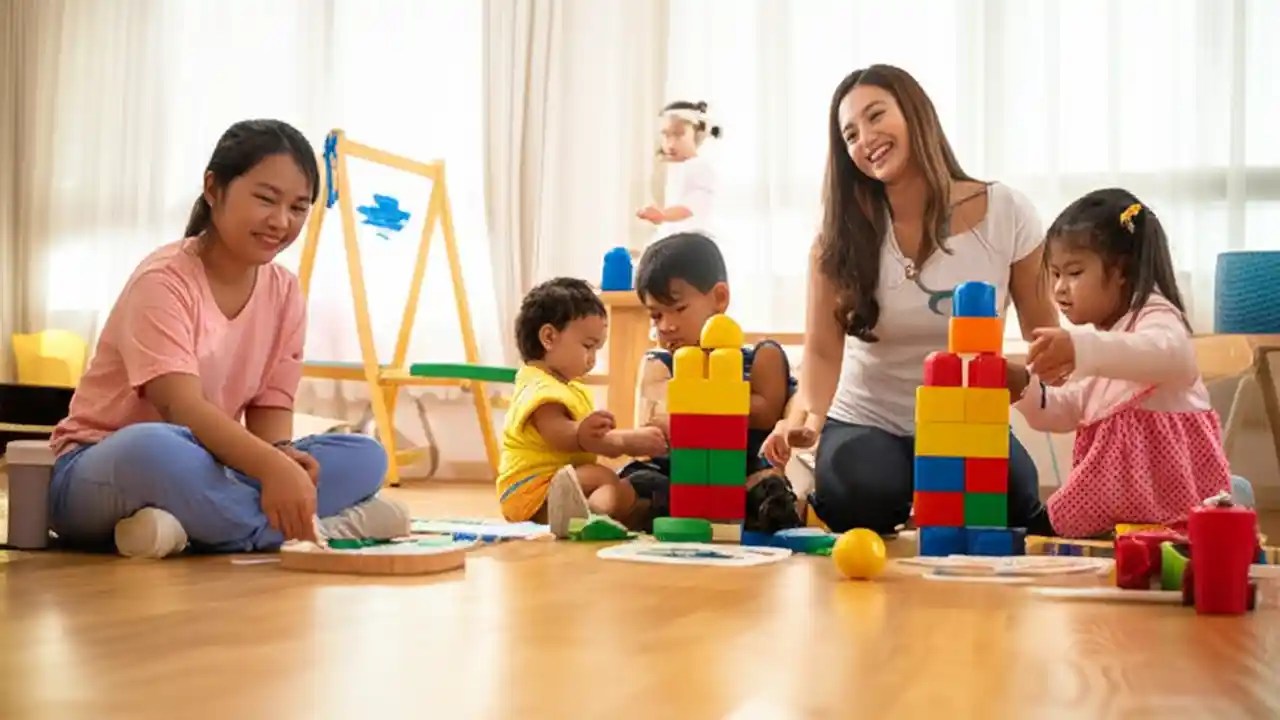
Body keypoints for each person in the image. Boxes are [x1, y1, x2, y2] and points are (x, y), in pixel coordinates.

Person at [48, 119, 409, 559]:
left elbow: (270, 418)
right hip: (102, 465)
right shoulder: (163, 280)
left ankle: (184, 528)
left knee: (366, 456)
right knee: (156, 445)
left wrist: (282, 461)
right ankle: (326, 526)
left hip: (212, 463)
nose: (281, 221)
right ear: (214, 189)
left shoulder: (285, 292)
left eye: (298, 208)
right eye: (265, 199)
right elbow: (181, 408)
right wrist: (271, 469)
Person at [761, 64, 1060, 535]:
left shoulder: (1007, 212)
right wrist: (807, 421)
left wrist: (1021, 378)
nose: (866, 139)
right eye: (851, 134)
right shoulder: (838, 236)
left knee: (1012, 500)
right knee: (863, 490)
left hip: (966, 423)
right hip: (867, 418)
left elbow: (1048, 337)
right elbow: (821, 351)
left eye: (876, 116)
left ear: (915, 113)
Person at [1014, 189, 1249, 537]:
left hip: (1168, 513)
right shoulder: (1109, 343)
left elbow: (1170, 355)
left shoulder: (1154, 316)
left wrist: (1082, 349)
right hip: (1113, 510)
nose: (1060, 289)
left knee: (1031, 531)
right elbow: (1068, 410)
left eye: (1074, 273)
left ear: (1122, 270)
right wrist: (1024, 388)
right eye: (1054, 274)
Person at [624, 233, 804, 533]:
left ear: (719, 298)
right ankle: (608, 506)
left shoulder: (761, 357)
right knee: (638, 481)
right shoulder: (661, 364)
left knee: (769, 485)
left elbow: (768, 411)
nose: (667, 325)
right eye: (656, 316)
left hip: (743, 472)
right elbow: (656, 423)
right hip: (681, 474)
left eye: (679, 309)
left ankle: (765, 512)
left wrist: (707, 400)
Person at [497, 277, 668, 537]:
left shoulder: (566, 387)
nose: (592, 359)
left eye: (597, 349)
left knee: (616, 485)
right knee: (602, 478)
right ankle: (589, 519)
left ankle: (622, 512)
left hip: (555, 485)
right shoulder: (539, 387)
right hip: (532, 489)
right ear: (549, 337)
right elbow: (558, 434)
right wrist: (614, 440)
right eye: (588, 346)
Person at [636, 100, 721, 242]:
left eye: (678, 135)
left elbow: (691, 207)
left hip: (693, 245)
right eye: (666, 135)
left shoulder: (700, 167)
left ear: (697, 134)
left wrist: (663, 215)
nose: (670, 143)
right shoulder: (678, 169)